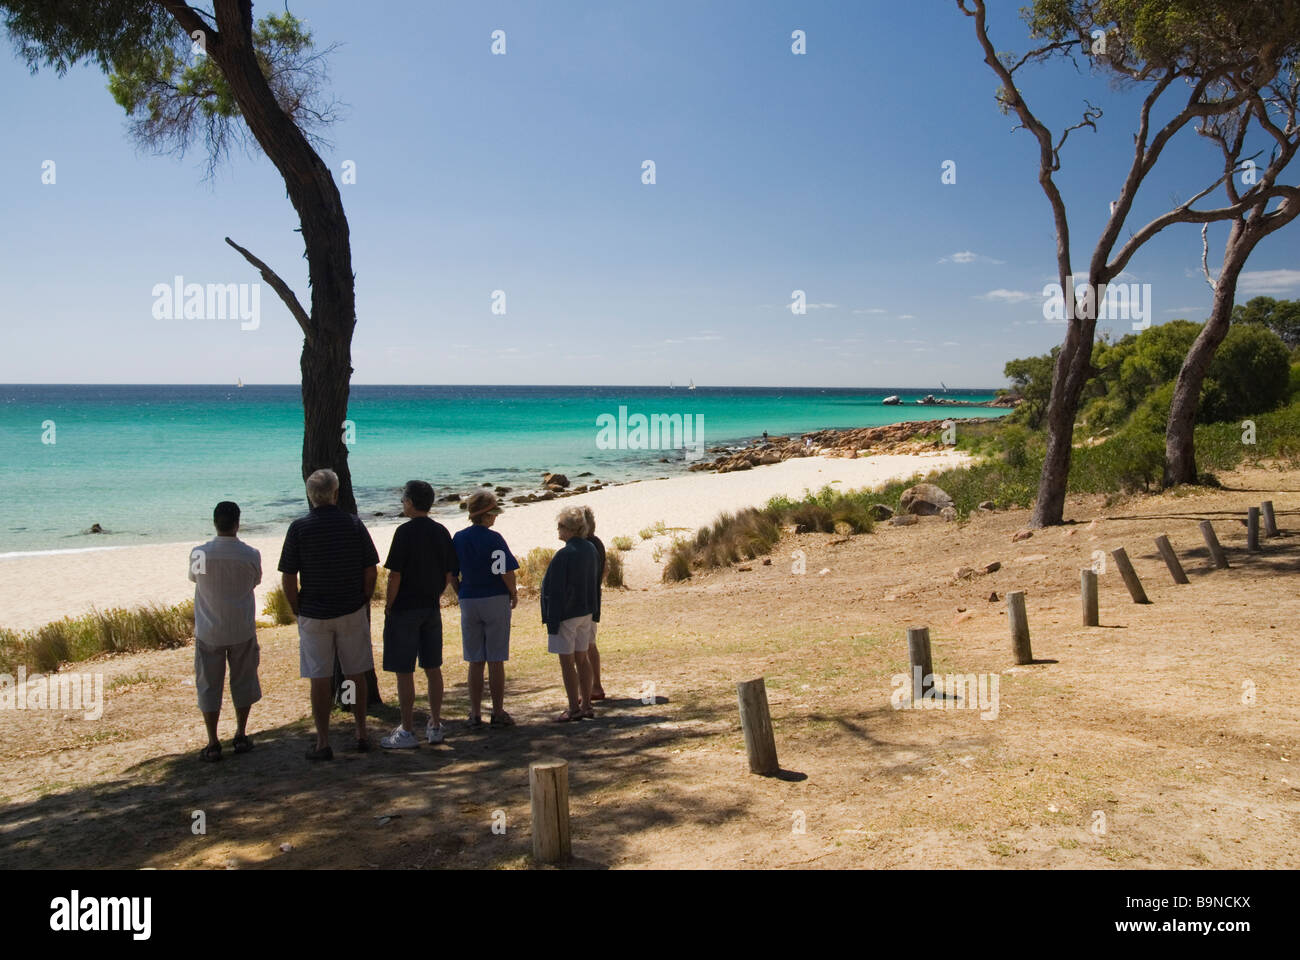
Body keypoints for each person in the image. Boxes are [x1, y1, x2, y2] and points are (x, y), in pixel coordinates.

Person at [278, 468, 380, 761]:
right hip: (350, 609)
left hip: (314, 612)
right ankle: (361, 731)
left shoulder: (299, 528)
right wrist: (363, 598)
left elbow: (288, 575)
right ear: (336, 494)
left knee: (319, 678)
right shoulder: (353, 524)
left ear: (311, 496)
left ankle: (323, 741)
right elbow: (371, 569)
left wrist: (296, 606)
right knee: (355, 673)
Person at [380, 480, 459, 749]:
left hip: (404, 607)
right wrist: (435, 592)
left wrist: (389, 605)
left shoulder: (404, 533)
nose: (402, 503)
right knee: (432, 667)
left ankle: (407, 729)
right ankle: (435, 724)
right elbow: (450, 574)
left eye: (403, 499)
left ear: (411, 502)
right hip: (430, 606)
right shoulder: (441, 531)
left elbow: (395, 575)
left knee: (404, 670)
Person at [188, 501, 262, 762]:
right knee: (243, 681)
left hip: (210, 629)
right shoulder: (250, 554)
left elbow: (195, 579)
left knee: (209, 685)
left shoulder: (199, 554)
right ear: (237, 523)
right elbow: (255, 581)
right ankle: (241, 733)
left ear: (214, 522)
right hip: (241, 626)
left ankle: (212, 740)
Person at [452, 490, 519, 728]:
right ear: (486, 515)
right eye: (493, 513)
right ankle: (498, 711)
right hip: (494, 598)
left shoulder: (458, 538)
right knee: (496, 659)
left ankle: (475, 713)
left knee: (475, 660)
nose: (496, 518)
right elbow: (504, 571)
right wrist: (513, 592)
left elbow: (451, 572)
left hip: (469, 599)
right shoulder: (494, 539)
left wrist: (460, 590)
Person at [541, 506, 598, 722]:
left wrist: (551, 620)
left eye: (561, 526)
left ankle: (574, 707)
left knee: (567, 662)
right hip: (585, 611)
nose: (558, 530)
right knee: (582, 659)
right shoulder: (590, 549)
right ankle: (587, 704)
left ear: (571, 529)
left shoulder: (565, 554)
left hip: (566, 614)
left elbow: (554, 590)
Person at [580, 505, 607, 701]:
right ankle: (594, 685)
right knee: (590, 643)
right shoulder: (597, 543)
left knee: (585, 645)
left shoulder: (585, 546)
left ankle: (590, 687)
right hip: (594, 597)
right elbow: (604, 571)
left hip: (585, 601)